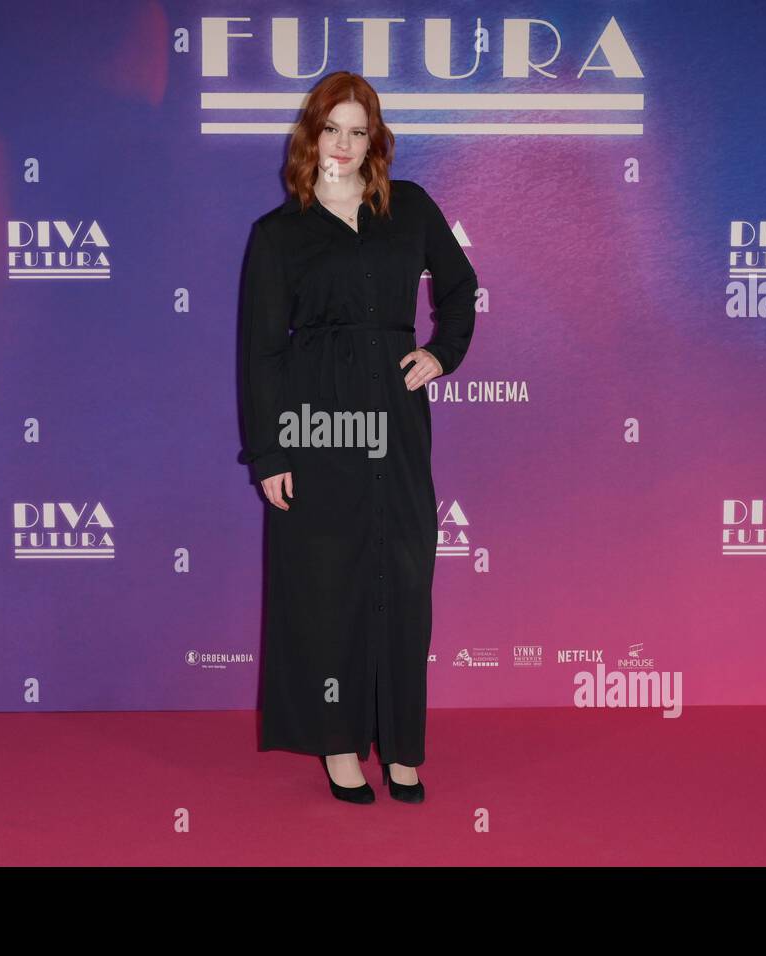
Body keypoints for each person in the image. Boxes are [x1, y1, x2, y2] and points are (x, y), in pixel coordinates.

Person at [239, 71, 478, 805]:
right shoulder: (279, 234)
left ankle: (402, 747)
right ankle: (340, 745)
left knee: (405, 581)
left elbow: (461, 287)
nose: (343, 143)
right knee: (327, 586)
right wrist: (271, 454)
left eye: (358, 130)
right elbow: (261, 352)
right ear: (310, 136)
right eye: (331, 128)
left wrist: (443, 352)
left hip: (397, 427)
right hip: (316, 425)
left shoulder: (409, 210)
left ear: (375, 141)